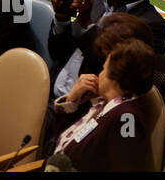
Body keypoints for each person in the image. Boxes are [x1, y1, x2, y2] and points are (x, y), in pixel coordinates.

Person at [47, 38, 156, 172]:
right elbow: (59, 138)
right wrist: (72, 99)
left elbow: (126, 164)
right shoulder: (100, 103)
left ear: (115, 76)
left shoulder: (128, 116)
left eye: (104, 68)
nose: (100, 73)